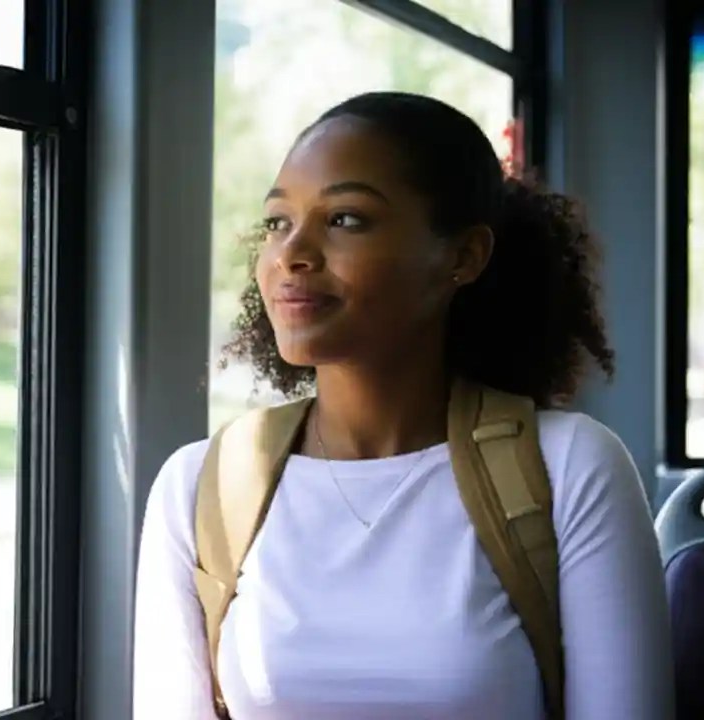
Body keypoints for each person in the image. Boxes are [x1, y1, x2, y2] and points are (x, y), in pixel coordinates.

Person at [133, 92, 673, 720]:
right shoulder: (202, 485)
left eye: (345, 220)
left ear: (464, 256)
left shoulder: (569, 467)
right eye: (279, 221)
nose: (291, 253)